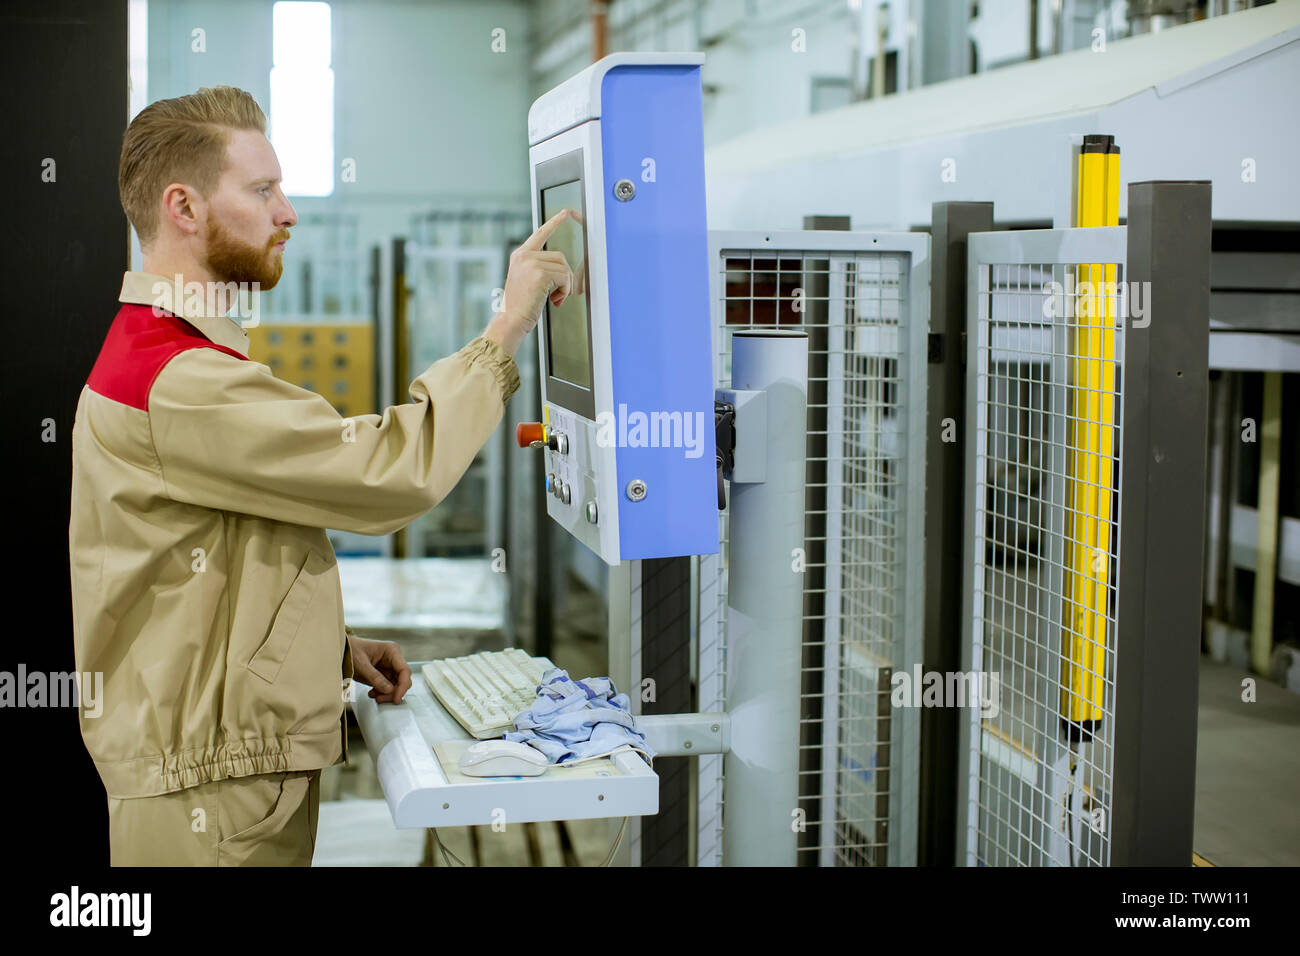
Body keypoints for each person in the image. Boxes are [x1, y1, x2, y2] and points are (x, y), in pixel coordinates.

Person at [70, 85, 573, 865]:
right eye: (262, 189)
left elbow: (204, 569)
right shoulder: (180, 378)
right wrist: (504, 330)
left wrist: (326, 649)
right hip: (207, 795)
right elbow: (386, 472)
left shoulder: (159, 353)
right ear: (184, 208)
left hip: (213, 775)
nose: (289, 212)